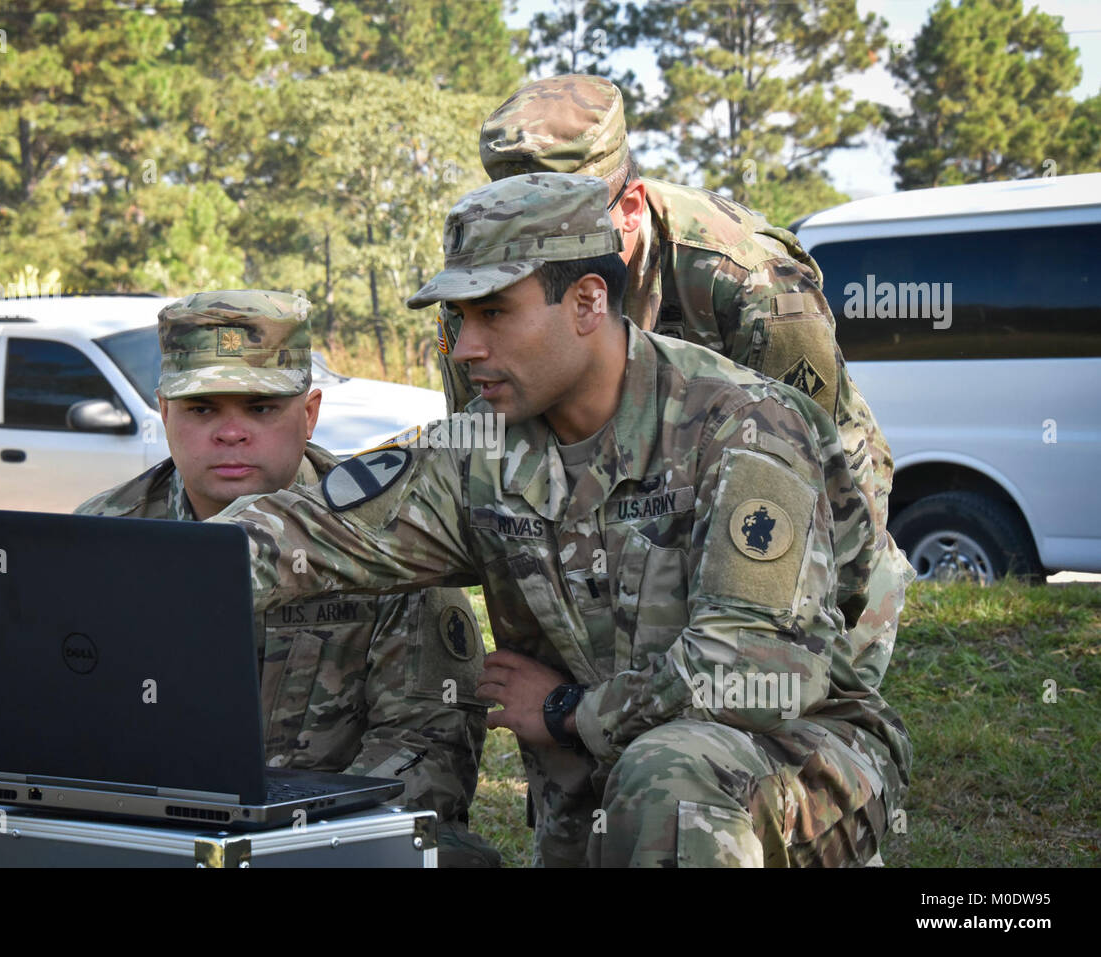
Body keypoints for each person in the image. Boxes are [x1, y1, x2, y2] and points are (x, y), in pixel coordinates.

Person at [210, 175, 911, 867]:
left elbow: (755, 670)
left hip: (800, 760)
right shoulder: (480, 449)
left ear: (586, 302)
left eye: (494, 313)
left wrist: (569, 711)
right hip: (610, 792)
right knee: (650, 784)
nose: (465, 348)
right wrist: (161, 577)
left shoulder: (742, 426)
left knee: (672, 776)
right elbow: (311, 530)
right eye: (459, 318)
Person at [439, 74, 915, 694]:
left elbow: (822, 460)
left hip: (802, 522)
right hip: (609, 535)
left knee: (772, 714)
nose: (535, 248)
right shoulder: (481, 309)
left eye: (562, 220)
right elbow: (482, 470)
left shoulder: (747, 280)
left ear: (629, 207)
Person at [75, 290, 498, 867]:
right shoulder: (100, 539)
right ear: (164, 412)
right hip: (153, 836)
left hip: (332, 838)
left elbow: (426, 749)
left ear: (310, 413)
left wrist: (283, 846)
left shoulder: (384, 536)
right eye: (202, 409)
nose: (231, 433)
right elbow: (67, 728)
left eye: (261, 407)